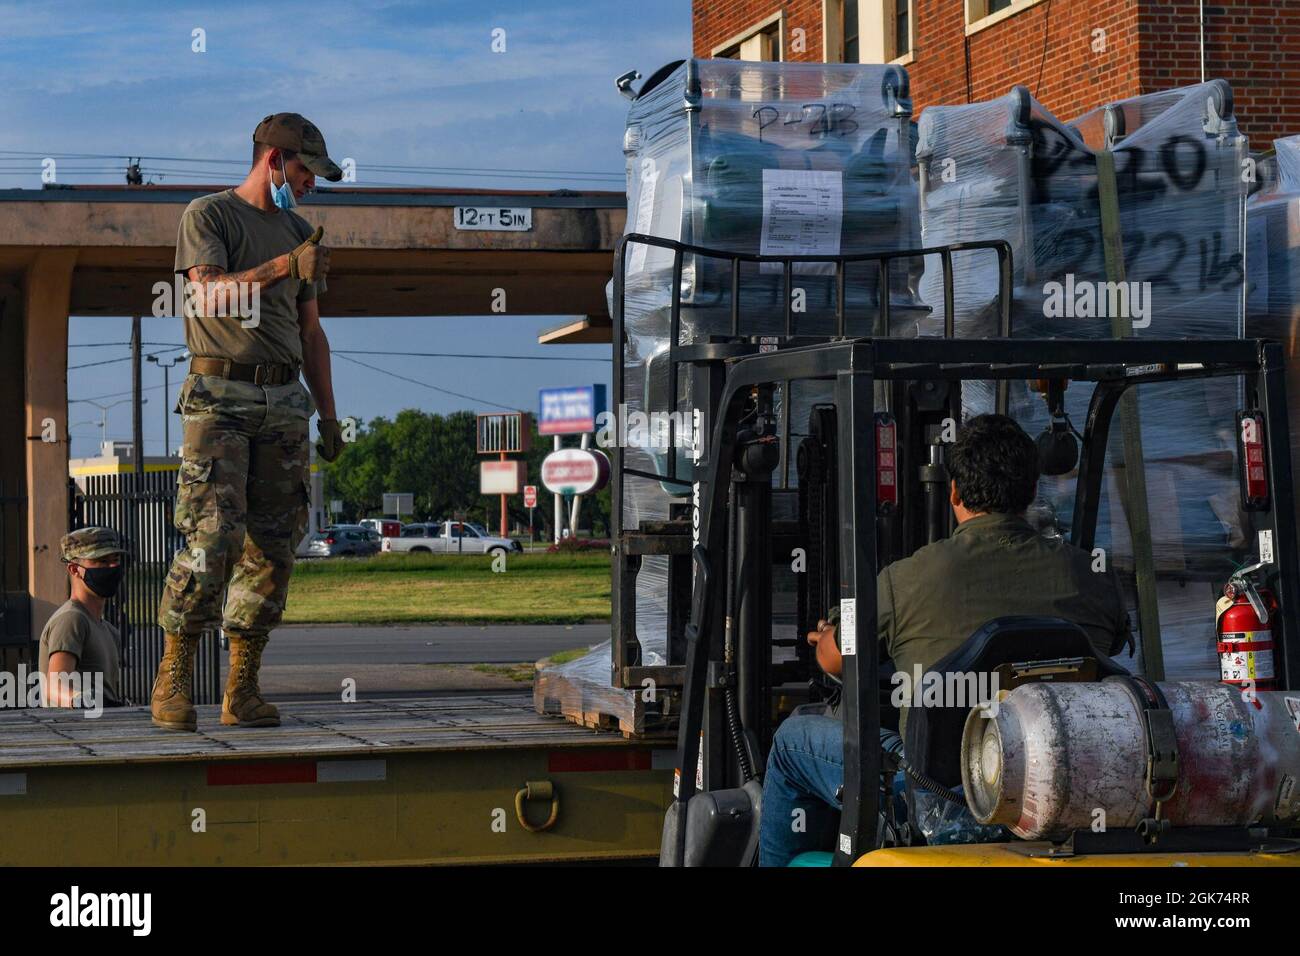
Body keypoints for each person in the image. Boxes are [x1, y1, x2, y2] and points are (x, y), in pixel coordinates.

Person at [758, 414, 1134, 866]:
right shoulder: (1090, 575)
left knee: (791, 740)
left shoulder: (905, 579)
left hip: (946, 799)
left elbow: (838, 660)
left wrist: (828, 637)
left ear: (953, 492)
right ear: (1033, 491)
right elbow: (1108, 647)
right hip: (1064, 788)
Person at [152, 113, 345, 732]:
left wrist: (332, 416)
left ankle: (242, 690)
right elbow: (207, 296)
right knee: (213, 539)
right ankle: (175, 678)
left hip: (286, 403)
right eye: (306, 171)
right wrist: (285, 267)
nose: (312, 184)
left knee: (275, 548)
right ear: (275, 161)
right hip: (220, 397)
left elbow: (312, 332)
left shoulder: (297, 230)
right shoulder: (208, 216)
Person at [40, 527, 128, 710]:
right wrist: (80, 700)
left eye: (116, 560)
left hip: (100, 730)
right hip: (74, 732)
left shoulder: (109, 630)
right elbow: (54, 686)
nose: (112, 567)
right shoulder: (71, 619)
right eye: (102, 561)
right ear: (74, 569)